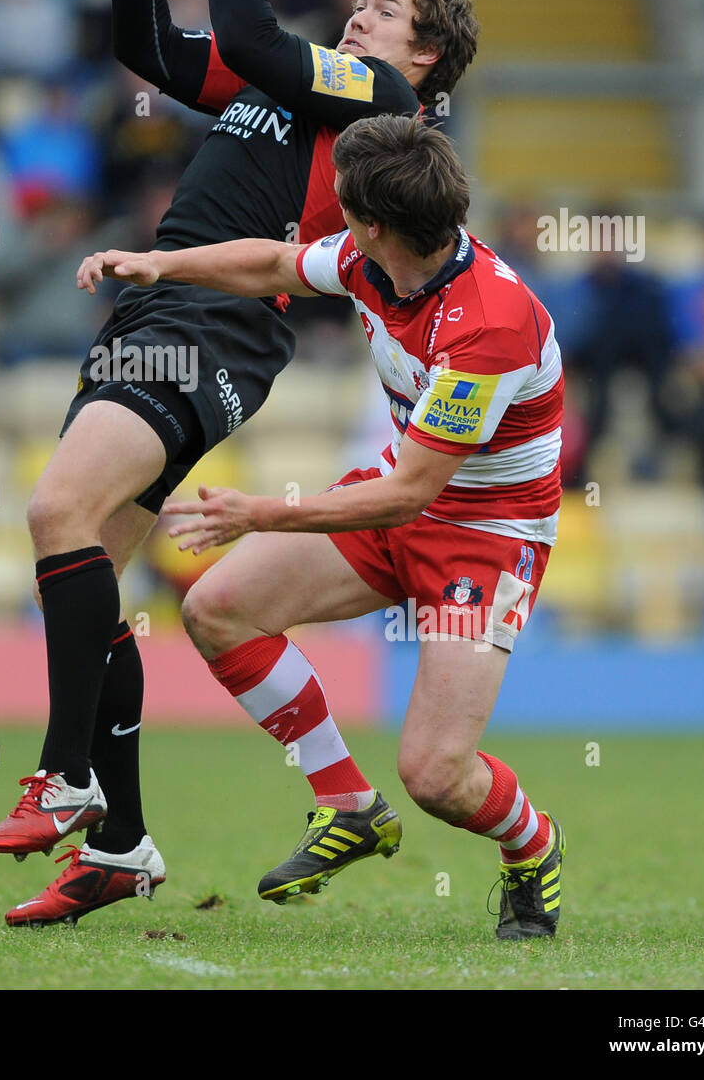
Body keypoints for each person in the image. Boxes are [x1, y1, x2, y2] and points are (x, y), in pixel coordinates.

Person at [0, 0, 479, 928]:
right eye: (361, 0)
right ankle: (119, 844)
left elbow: (253, 39)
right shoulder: (298, 86)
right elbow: (148, 50)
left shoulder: (381, 104)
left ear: (424, 56)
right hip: (156, 305)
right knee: (87, 562)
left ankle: (65, 778)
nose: (359, 10)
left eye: (384, 10)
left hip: (218, 325)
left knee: (56, 504)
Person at [77, 114, 566, 940]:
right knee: (218, 609)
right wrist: (160, 263)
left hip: (484, 539)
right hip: (401, 495)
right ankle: (348, 802)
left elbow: (411, 494)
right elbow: (271, 261)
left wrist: (261, 510)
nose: (330, 212)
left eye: (341, 202)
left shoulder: (490, 324)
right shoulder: (380, 257)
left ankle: (534, 845)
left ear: (374, 225)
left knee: (438, 774)